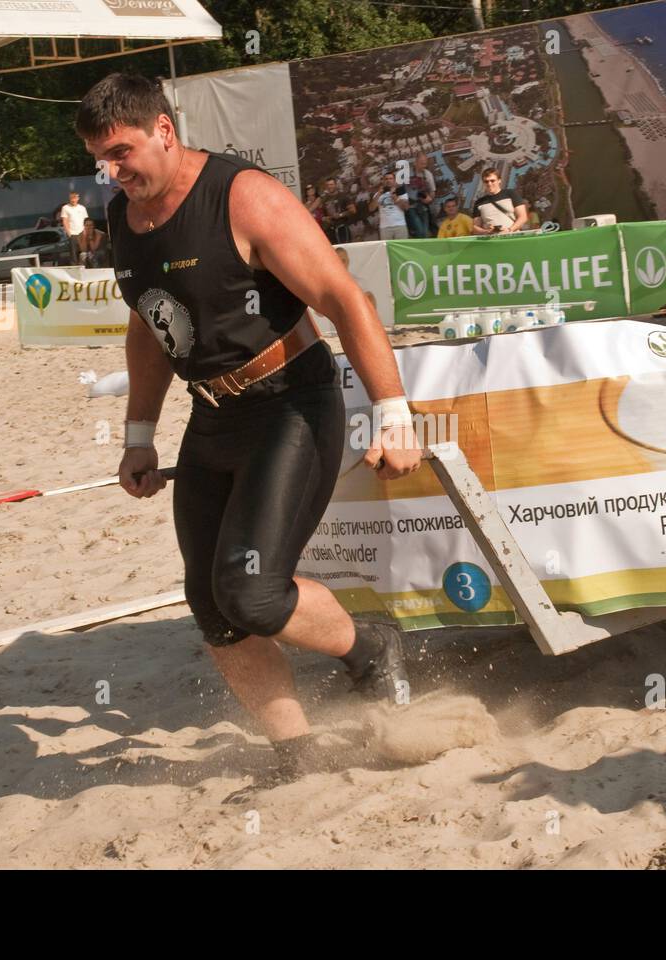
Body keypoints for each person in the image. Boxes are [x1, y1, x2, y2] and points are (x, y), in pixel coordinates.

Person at [77, 72, 418, 784]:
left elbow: (345, 299)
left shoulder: (243, 196)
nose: (114, 171)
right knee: (211, 605)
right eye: (101, 160)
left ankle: (370, 650)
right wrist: (139, 431)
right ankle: (297, 753)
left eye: (123, 152)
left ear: (164, 132)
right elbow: (151, 323)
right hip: (213, 415)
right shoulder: (122, 218)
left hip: (293, 403)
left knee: (252, 592)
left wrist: (394, 414)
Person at [471, 169, 528, 234]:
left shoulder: (511, 194)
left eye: (492, 181)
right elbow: (475, 227)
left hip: (512, 237)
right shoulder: (479, 202)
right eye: (486, 181)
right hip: (490, 240)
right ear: (483, 183)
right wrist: (486, 231)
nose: (489, 184)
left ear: (499, 180)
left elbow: (523, 217)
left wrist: (509, 230)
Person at [370, 170, 410, 240]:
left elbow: (406, 207)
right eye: (386, 179)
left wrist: (395, 197)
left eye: (390, 179)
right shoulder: (378, 194)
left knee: (401, 249)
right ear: (383, 181)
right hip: (384, 227)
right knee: (386, 250)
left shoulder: (401, 191)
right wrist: (379, 194)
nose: (388, 181)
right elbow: (371, 208)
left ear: (394, 180)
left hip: (400, 225)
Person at [404, 154, 436, 238]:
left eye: (425, 163)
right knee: (419, 230)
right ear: (415, 162)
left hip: (423, 207)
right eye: (421, 163)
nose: (423, 166)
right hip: (411, 207)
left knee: (425, 233)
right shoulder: (406, 173)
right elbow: (398, 188)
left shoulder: (428, 174)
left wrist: (429, 199)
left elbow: (432, 191)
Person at [318, 176, 357, 245]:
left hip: (342, 228)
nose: (330, 187)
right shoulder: (324, 199)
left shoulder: (343, 196)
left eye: (331, 184)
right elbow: (323, 214)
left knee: (344, 249)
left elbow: (353, 210)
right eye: (328, 185)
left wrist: (340, 215)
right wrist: (324, 218)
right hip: (330, 229)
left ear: (335, 185)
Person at [59, 191, 88, 265]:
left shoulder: (82, 208)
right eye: (72, 198)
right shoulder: (65, 208)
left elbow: (86, 221)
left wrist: (85, 232)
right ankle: (75, 269)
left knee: (84, 253)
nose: (73, 199)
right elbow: (65, 221)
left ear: (78, 198)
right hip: (72, 234)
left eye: (75, 197)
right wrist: (69, 233)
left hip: (82, 233)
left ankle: (85, 267)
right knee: (73, 254)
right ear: (70, 198)